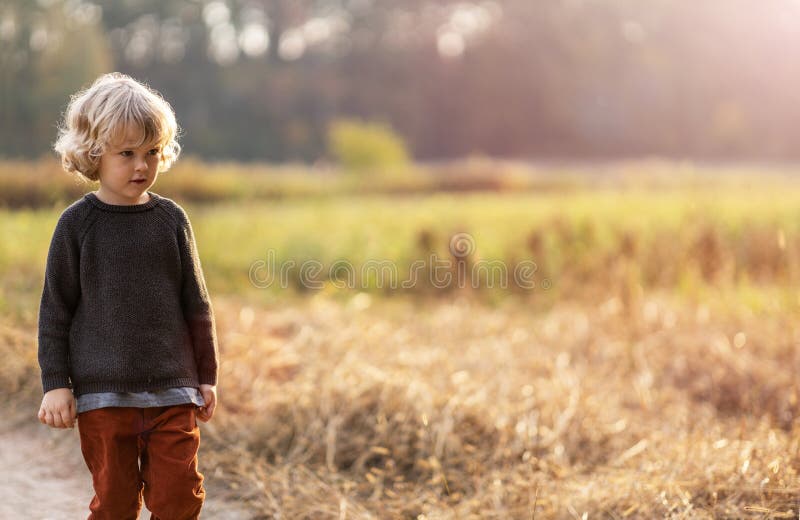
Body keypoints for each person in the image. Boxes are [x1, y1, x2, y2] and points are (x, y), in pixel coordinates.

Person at [37, 72, 219, 520]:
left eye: (152, 152)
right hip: (104, 398)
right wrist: (56, 383)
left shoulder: (171, 220)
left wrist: (207, 374)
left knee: (179, 498)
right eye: (127, 154)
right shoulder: (77, 226)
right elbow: (55, 312)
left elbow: (196, 304)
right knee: (115, 503)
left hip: (173, 390)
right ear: (93, 154)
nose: (142, 165)